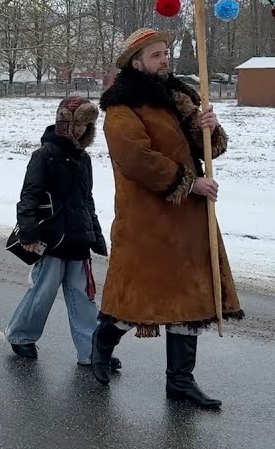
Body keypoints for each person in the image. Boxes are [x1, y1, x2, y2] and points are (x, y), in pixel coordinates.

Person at [93, 28, 243, 410]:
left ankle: (180, 380)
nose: (165, 60)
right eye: (157, 55)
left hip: (188, 219)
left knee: (187, 299)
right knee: (136, 297)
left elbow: (209, 148)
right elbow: (137, 159)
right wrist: (189, 184)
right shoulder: (120, 107)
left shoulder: (180, 97)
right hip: (146, 218)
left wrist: (206, 127)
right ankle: (103, 342)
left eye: (165, 53)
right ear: (137, 62)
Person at [4, 96, 110, 366]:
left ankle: (91, 351)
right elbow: (29, 196)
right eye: (79, 124)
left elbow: (87, 199)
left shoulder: (83, 158)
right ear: (65, 122)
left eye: (88, 125)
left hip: (77, 239)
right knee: (43, 291)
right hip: (51, 238)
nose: (83, 130)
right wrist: (28, 233)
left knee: (83, 297)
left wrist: (95, 236)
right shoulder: (44, 155)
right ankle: (21, 335)